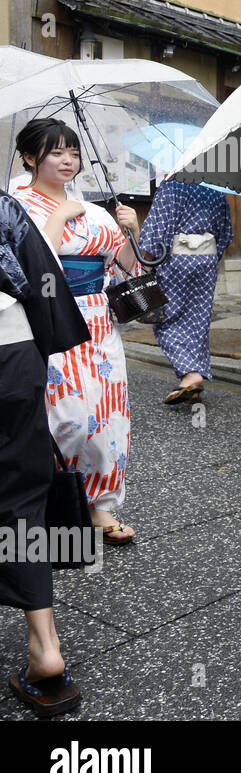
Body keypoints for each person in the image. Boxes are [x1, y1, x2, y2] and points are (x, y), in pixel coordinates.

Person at [13, 118, 139, 545]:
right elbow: (30, 264)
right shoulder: (17, 204)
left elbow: (125, 265)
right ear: (30, 157)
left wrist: (131, 231)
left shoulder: (98, 210)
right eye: (56, 152)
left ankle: (100, 507)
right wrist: (60, 216)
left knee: (108, 418)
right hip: (51, 320)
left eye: (73, 152)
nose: (68, 160)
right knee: (64, 418)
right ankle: (52, 506)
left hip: (99, 322)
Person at [2, 189, 91, 716]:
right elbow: (41, 279)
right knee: (22, 496)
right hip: (11, 351)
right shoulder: (2, 207)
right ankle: (45, 649)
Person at [137, 178, 234, 404]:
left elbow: (157, 228)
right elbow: (226, 233)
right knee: (197, 319)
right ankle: (194, 381)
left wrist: (146, 263)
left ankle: (190, 375)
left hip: (176, 259)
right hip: (207, 259)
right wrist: (209, 257)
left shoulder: (171, 186)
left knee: (167, 319)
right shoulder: (215, 187)